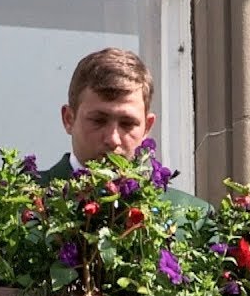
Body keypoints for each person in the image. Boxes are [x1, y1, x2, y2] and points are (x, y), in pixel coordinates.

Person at [40, 47, 209, 210]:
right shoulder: (21, 205)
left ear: (147, 127)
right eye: (98, 120)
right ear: (68, 119)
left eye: (127, 123)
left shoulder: (191, 217)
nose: (113, 139)